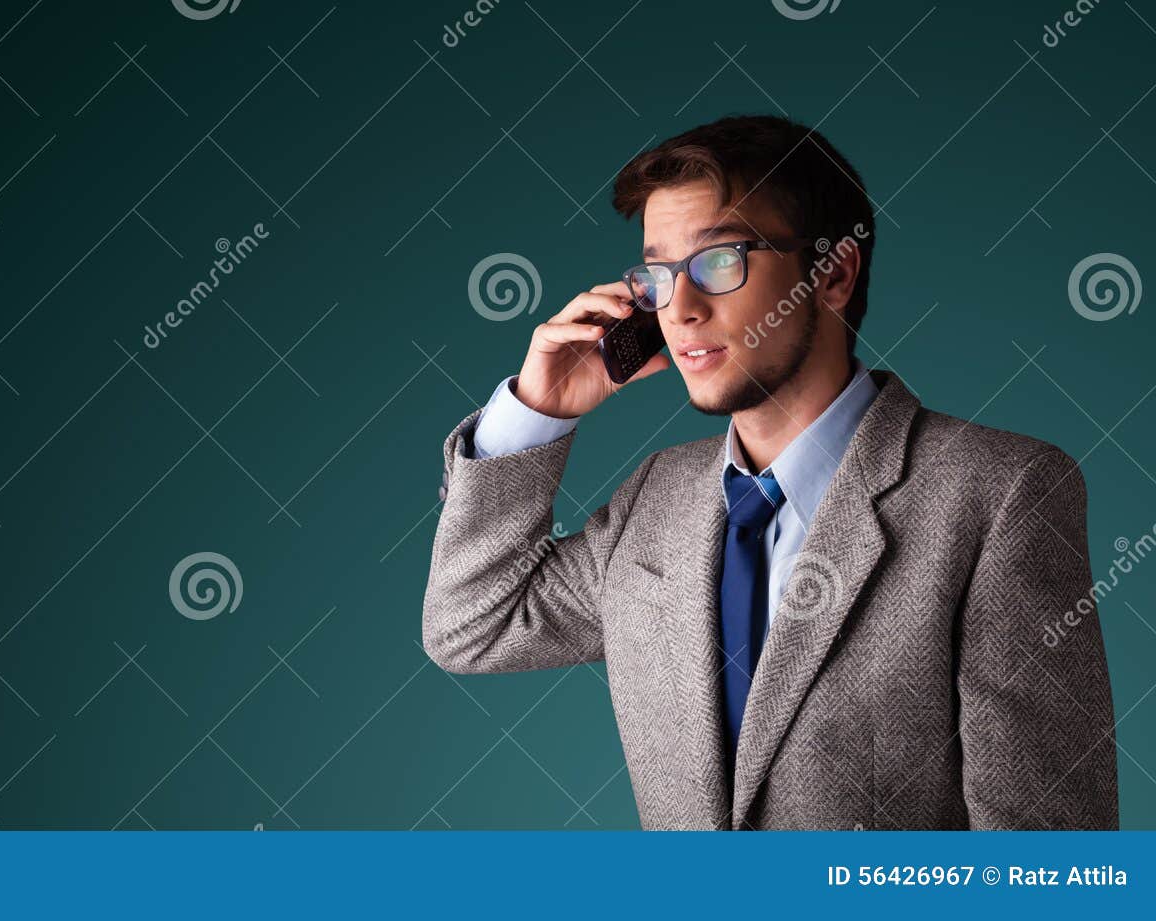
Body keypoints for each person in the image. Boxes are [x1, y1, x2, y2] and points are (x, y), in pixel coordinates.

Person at [421, 114, 1117, 830]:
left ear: (835, 273)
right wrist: (537, 412)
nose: (680, 309)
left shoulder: (998, 494)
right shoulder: (653, 499)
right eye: (656, 276)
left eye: (720, 261)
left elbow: (1046, 863)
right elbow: (473, 625)